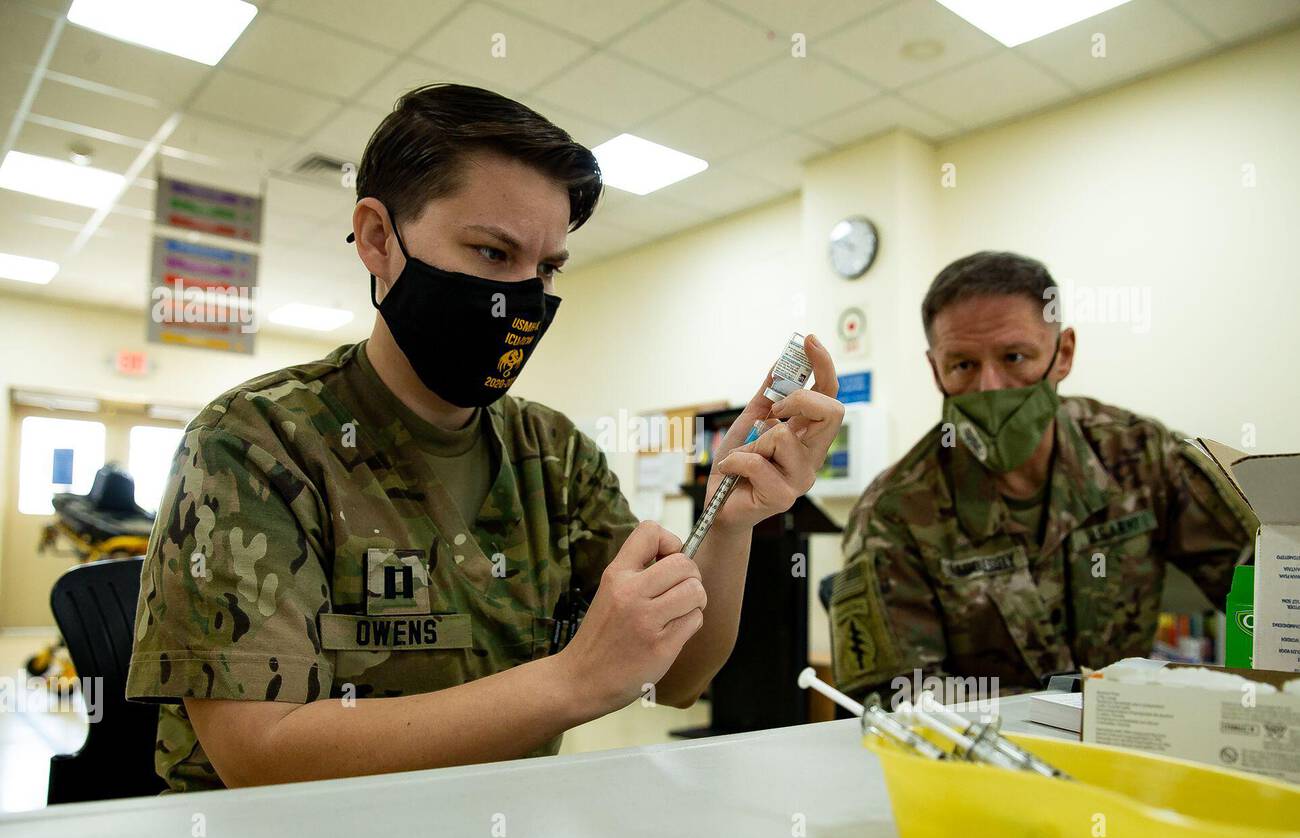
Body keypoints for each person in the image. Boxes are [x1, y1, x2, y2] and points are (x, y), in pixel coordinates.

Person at [126, 84, 844, 791]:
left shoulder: (554, 456)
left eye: (549, 266)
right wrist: (570, 681)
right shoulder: (254, 444)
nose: (524, 296)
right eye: (492, 254)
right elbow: (262, 755)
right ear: (379, 239)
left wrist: (731, 522)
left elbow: (680, 678)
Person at [829, 251, 1255, 699]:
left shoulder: (1140, 455)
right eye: (963, 365)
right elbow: (893, 697)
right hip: (985, 757)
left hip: (1131, 740)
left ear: (1063, 354)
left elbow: (1263, 585)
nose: (990, 387)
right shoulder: (895, 511)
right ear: (936, 370)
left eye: (1014, 357)